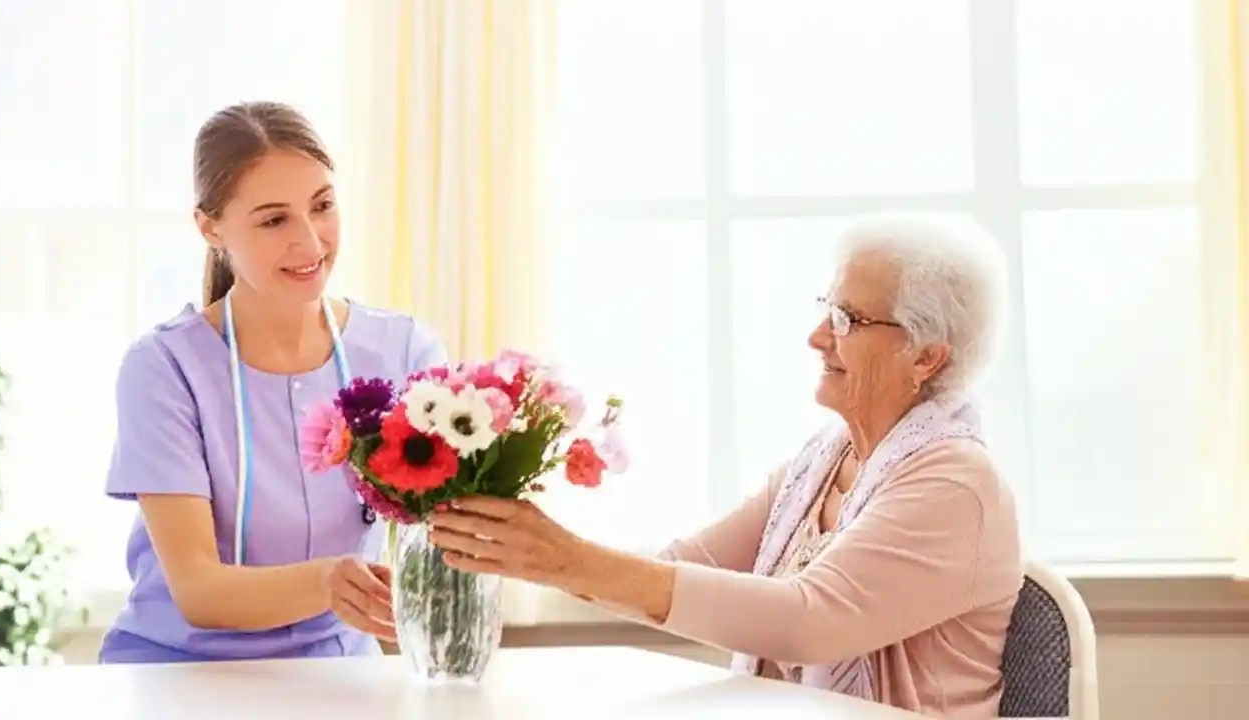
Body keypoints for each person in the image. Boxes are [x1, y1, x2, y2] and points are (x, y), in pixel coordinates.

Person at [427, 212, 1024, 718]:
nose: (818, 337)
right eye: (827, 309)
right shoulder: (824, 460)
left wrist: (565, 559)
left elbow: (806, 621)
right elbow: (682, 569)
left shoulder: (956, 485)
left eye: (848, 320)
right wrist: (532, 549)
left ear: (925, 357)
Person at [98, 101, 446, 663]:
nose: (310, 243)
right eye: (273, 219)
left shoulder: (403, 350)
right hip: (178, 671)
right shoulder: (164, 369)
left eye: (323, 206)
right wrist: (329, 583)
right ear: (211, 227)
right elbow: (199, 591)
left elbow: (446, 533)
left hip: (336, 668)